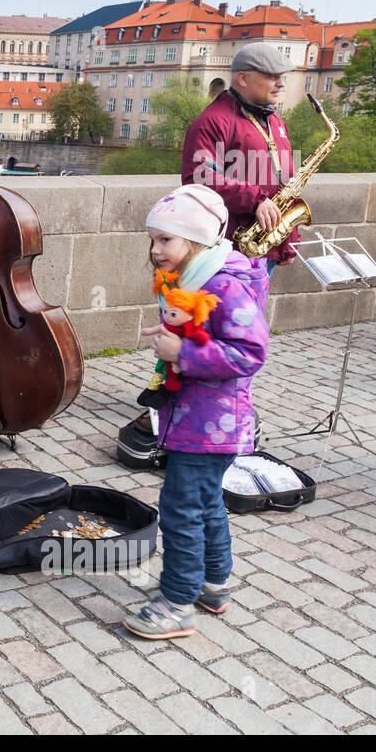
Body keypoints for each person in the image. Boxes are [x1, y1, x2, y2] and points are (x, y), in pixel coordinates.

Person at [121, 184, 268, 639]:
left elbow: (250, 351)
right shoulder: (196, 277)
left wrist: (182, 353)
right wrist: (171, 331)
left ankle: (177, 603)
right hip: (197, 419)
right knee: (206, 503)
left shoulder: (222, 284)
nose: (155, 250)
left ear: (197, 240)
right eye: (152, 240)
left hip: (212, 424)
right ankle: (213, 584)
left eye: (165, 240)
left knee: (181, 506)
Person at [181, 41, 296, 277]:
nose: (281, 83)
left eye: (281, 76)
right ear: (242, 79)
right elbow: (198, 178)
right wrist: (256, 200)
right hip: (228, 250)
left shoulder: (275, 120)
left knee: (251, 314)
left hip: (267, 246)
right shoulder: (211, 121)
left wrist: (288, 239)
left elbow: (286, 182)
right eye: (272, 76)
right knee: (227, 314)